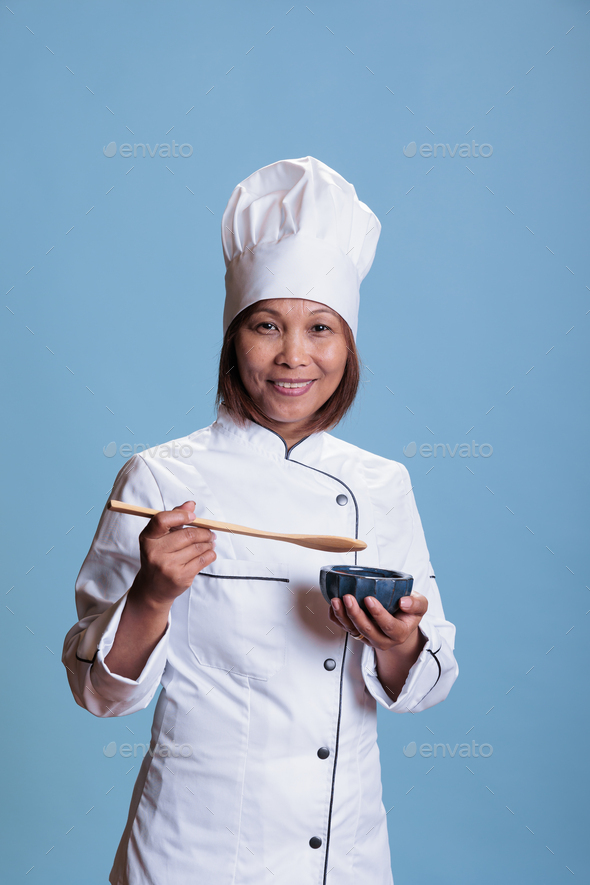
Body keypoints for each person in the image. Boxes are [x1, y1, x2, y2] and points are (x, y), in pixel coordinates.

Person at [62, 156, 458, 885]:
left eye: (321, 328)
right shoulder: (160, 480)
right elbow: (100, 694)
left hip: (342, 852)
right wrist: (151, 594)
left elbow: (427, 684)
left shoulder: (382, 484)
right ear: (232, 337)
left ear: (348, 345)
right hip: (192, 851)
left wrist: (401, 642)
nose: (293, 356)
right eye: (267, 326)